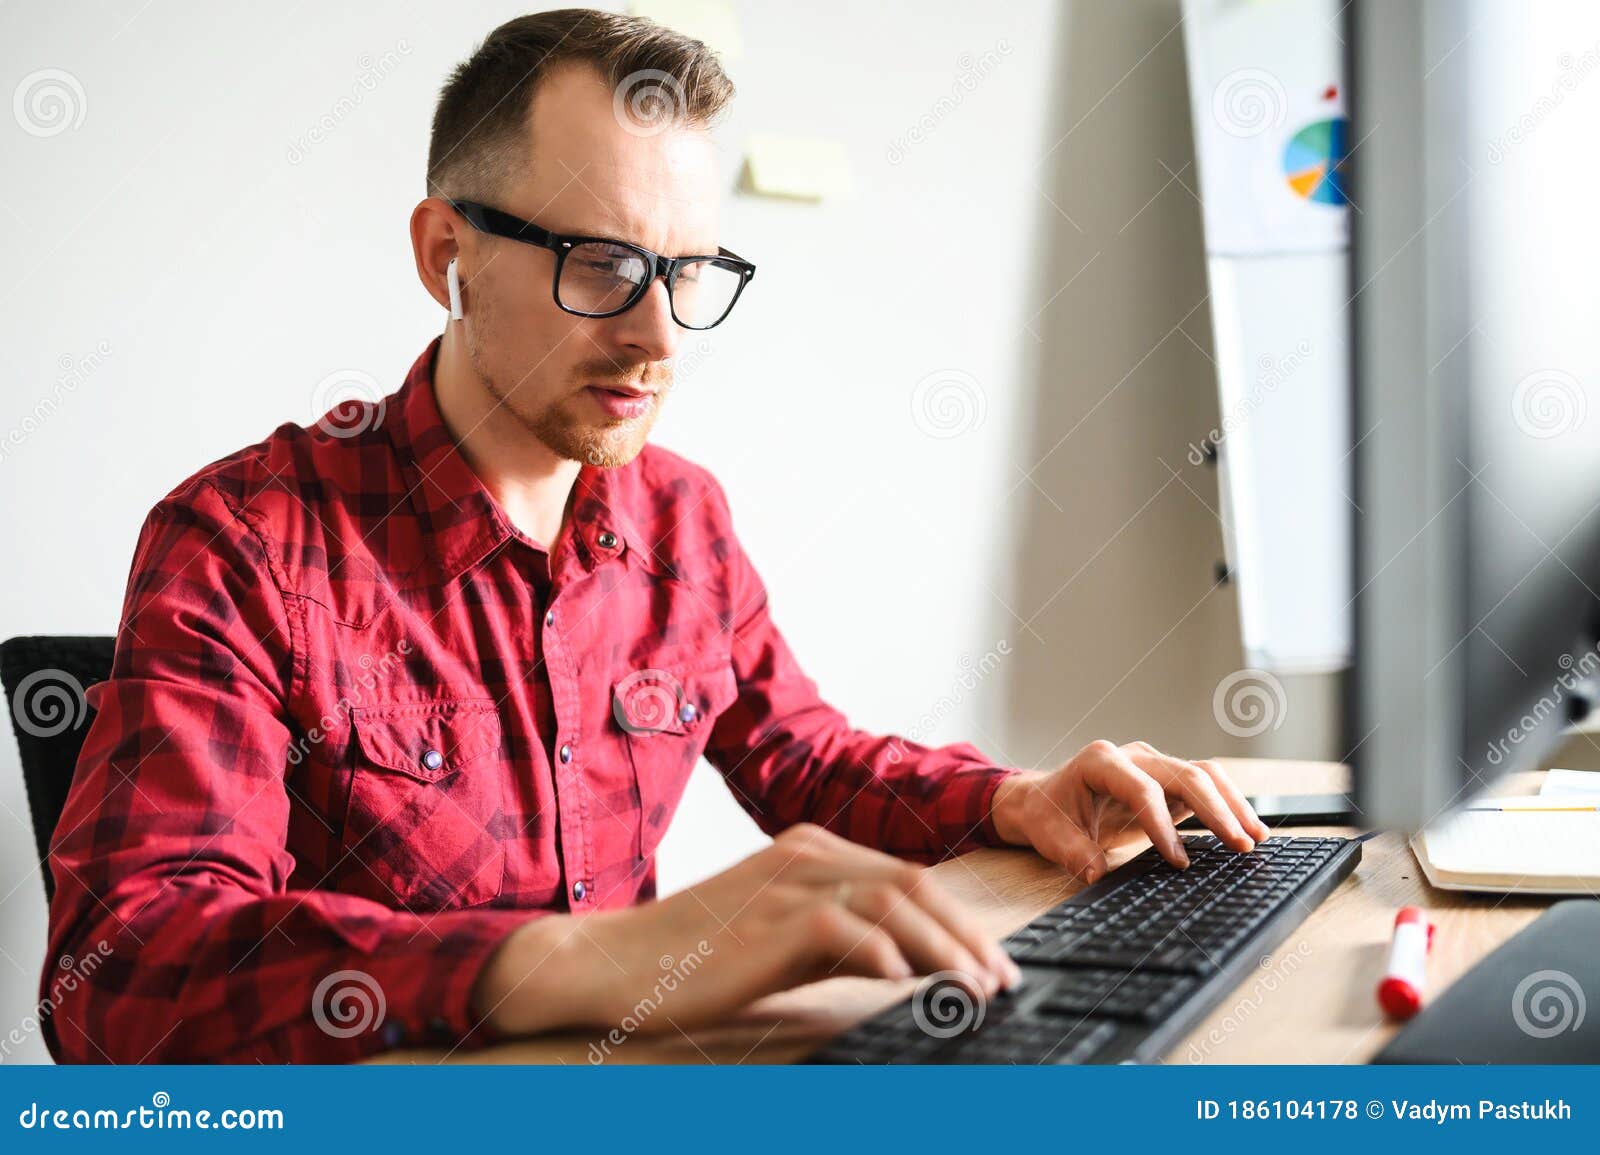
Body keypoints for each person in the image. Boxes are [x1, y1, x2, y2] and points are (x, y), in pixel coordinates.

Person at [43, 8, 1269, 1063]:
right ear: (446, 255)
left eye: (686, 271)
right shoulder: (247, 543)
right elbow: (122, 976)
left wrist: (1015, 800)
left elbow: (803, 756)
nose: (662, 337)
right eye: (603, 265)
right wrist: (583, 958)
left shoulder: (679, 517)